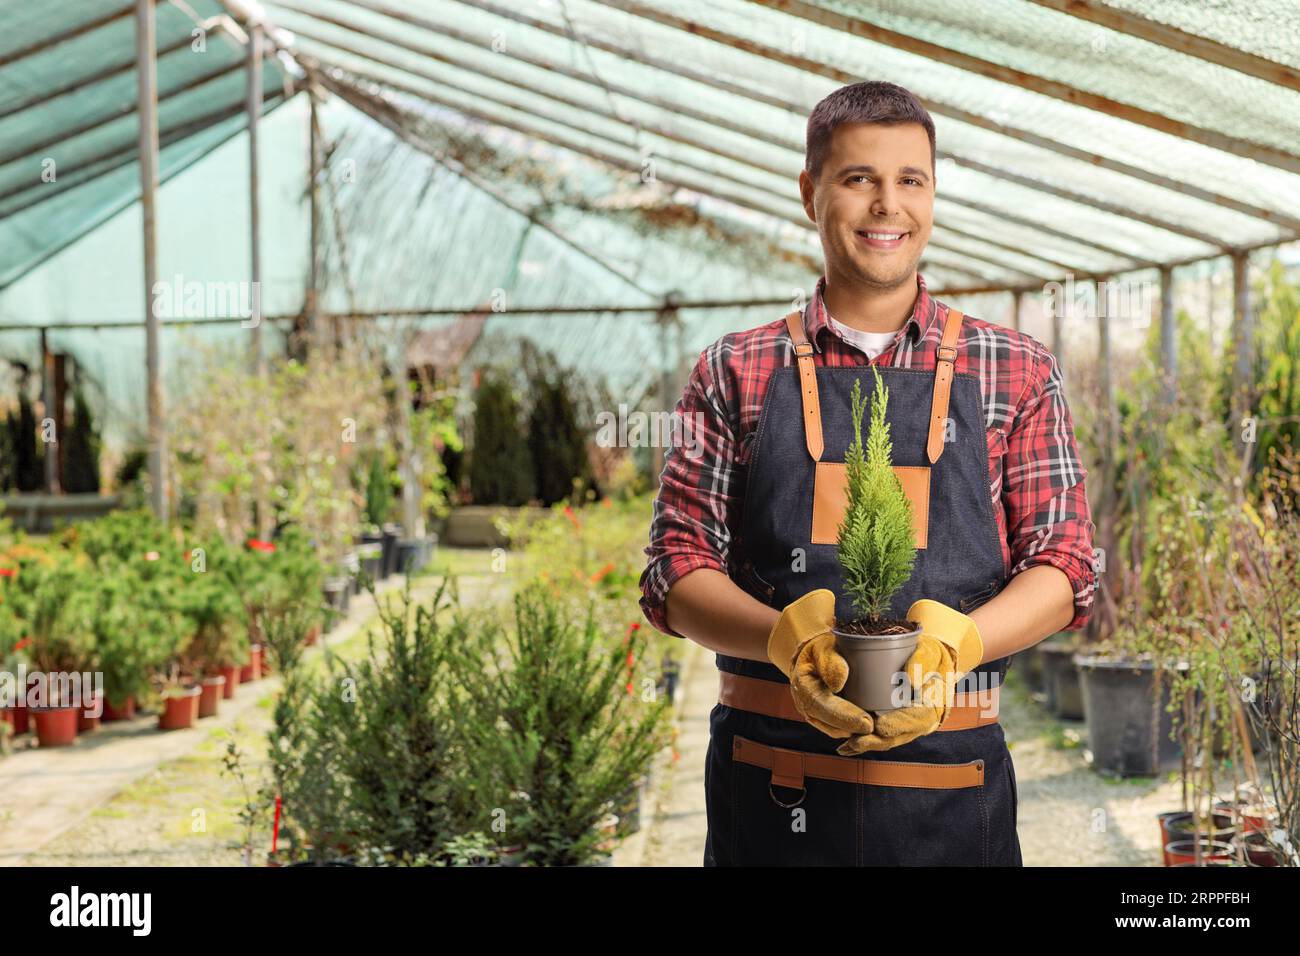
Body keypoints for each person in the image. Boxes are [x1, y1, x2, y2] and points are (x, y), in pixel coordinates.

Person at [638, 80, 1097, 866]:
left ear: (931, 194)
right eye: (859, 180)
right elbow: (674, 573)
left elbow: (1067, 566)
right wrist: (784, 639)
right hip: (769, 786)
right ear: (810, 192)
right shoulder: (734, 368)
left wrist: (961, 643)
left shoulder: (1016, 368)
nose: (889, 206)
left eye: (909, 181)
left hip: (954, 794)